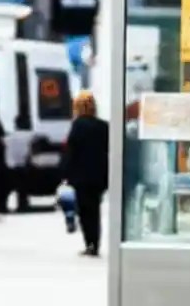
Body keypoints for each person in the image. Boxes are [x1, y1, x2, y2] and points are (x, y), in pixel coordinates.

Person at [62, 90, 109, 256]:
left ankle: (89, 243)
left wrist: (65, 174)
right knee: (95, 209)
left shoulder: (77, 126)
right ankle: (95, 243)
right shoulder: (104, 126)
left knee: (84, 211)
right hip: (100, 177)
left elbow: (71, 152)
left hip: (81, 177)